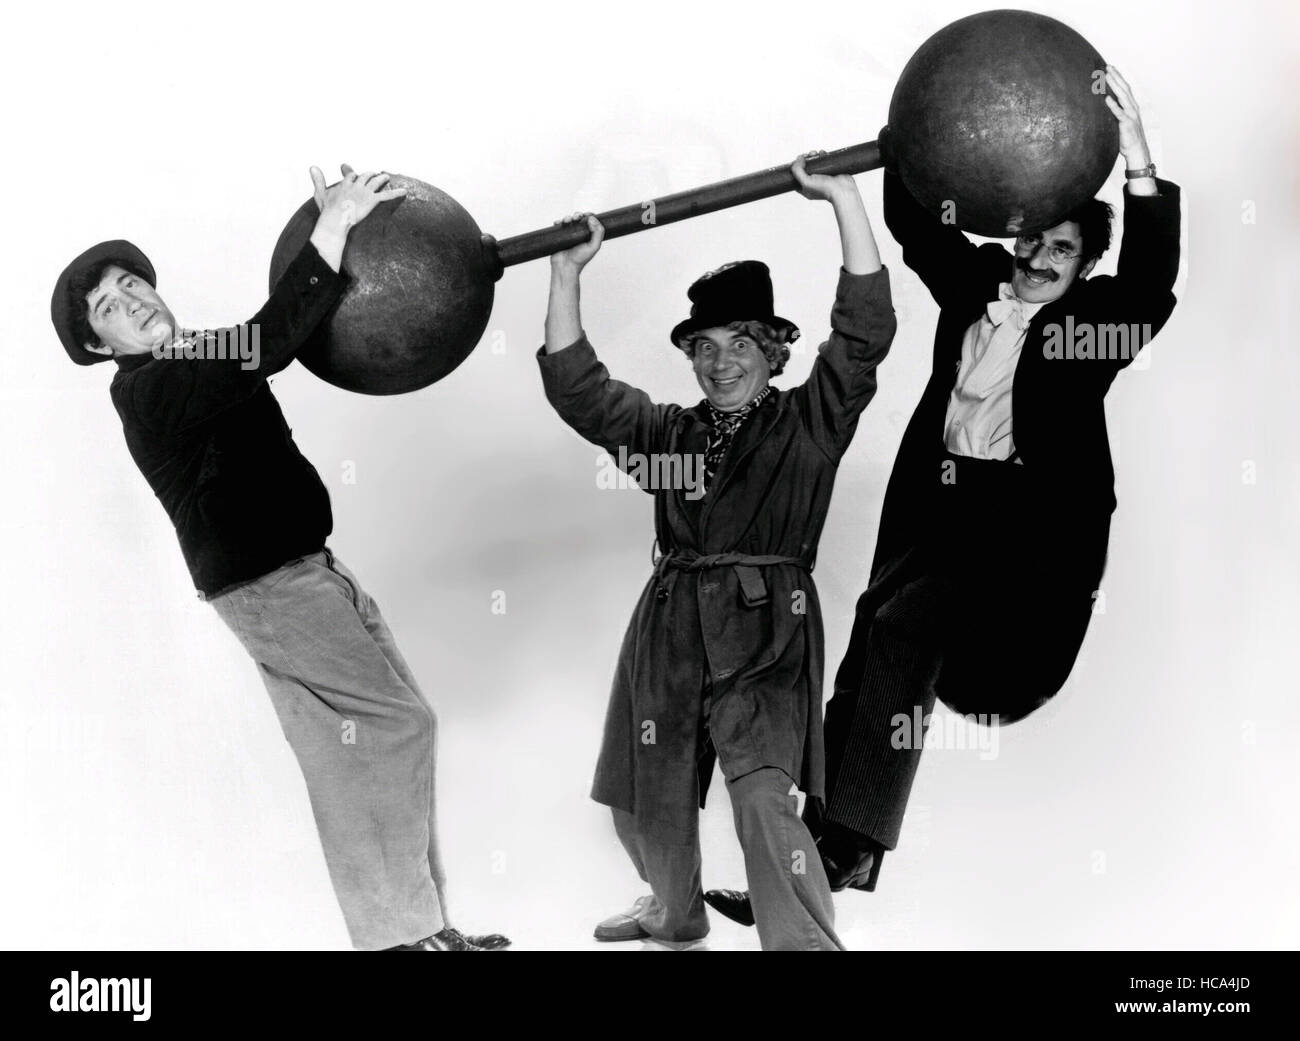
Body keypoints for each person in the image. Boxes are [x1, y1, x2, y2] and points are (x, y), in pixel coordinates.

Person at [704, 67, 1183, 927]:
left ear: (1086, 266)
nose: (1040, 261)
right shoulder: (974, 290)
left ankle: (845, 845)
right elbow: (915, 222)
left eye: (1064, 251)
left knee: (902, 627)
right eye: (1035, 241)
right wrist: (889, 155)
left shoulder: (1090, 331)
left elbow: (1151, 284)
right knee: (866, 657)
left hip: (1026, 539)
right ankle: (814, 858)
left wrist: (1139, 159)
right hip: (938, 512)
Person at [50, 165, 509, 952]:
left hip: (304, 570)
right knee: (400, 724)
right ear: (102, 345)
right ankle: (409, 936)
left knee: (353, 753)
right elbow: (270, 339)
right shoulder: (148, 390)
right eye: (109, 308)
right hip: (271, 586)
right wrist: (331, 230)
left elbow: (279, 335)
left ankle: (418, 934)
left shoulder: (198, 354)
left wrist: (333, 254)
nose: (133, 303)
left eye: (134, 285)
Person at [537, 154, 896, 950]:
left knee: (765, 797)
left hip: (767, 636)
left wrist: (842, 197)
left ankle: (804, 943)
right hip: (669, 627)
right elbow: (582, 394)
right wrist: (566, 274)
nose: (720, 361)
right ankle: (674, 911)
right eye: (704, 346)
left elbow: (865, 332)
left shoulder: (812, 422)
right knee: (642, 794)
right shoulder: (671, 438)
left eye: (740, 344)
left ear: (773, 351)